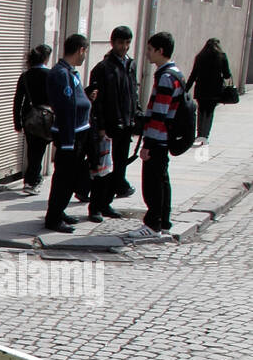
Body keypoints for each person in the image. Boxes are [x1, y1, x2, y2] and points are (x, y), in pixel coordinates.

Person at [87, 26, 139, 219]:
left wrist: (136, 115)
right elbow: (98, 101)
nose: (124, 47)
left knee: (119, 168)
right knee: (102, 170)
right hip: (107, 126)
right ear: (113, 42)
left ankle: (106, 203)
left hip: (125, 125)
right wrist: (100, 126)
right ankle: (95, 207)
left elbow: (133, 92)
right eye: (120, 43)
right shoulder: (103, 68)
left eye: (127, 43)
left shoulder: (130, 65)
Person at [43, 34, 93, 233]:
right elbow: (66, 108)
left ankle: (59, 210)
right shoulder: (61, 74)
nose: (84, 56)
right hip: (69, 135)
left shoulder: (69, 72)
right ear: (80, 49)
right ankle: (54, 217)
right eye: (85, 52)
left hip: (77, 132)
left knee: (70, 178)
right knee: (64, 178)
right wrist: (69, 140)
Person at [141, 31, 184, 237]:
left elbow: (159, 113)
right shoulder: (176, 73)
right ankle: (164, 222)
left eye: (150, 49)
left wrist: (147, 144)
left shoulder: (166, 77)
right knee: (162, 180)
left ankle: (153, 224)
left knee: (153, 183)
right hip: (164, 137)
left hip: (158, 138)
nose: (147, 53)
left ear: (160, 51)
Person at [13, 44, 53, 195]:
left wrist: (17, 121)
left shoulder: (25, 76)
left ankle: (32, 178)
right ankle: (32, 180)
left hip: (29, 117)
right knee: (40, 150)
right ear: (46, 58)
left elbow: (18, 100)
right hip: (46, 118)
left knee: (32, 149)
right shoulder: (50, 75)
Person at [186, 38, 232, 144]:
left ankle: (199, 134)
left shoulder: (200, 57)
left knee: (201, 111)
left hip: (201, 89)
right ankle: (205, 135)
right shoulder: (222, 57)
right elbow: (226, 74)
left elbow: (193, 75)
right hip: (214, 90)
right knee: (210, 112)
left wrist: (186, 89)